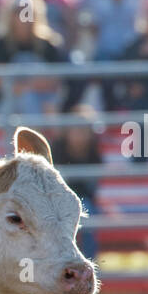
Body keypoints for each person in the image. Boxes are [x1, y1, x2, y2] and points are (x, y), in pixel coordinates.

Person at [76, 0, 148, 111]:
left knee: (143, 82)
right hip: (102, 53)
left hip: (134, 54)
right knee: (104, 75)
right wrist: (89, 27)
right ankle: (110, 118)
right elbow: (78, 18)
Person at [0, 0, 70, 118]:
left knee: (38, 102)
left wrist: (26, 87)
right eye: (19, 12)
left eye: (28, 12)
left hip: (43, 105)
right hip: (9, 106)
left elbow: (54, 82)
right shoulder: (0, 44)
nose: (24, 17)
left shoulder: (49, 44)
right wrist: (30, 86)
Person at [48, 105, 103, 259]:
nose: (80, 135)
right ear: (68, 132)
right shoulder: (57, 149)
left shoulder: (93, 152)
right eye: (76, 130)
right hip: (57, 200)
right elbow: (52, 183)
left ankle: (89, 262)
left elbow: (91, 188)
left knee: (89, 214)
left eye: (84, 131)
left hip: (83, 200)